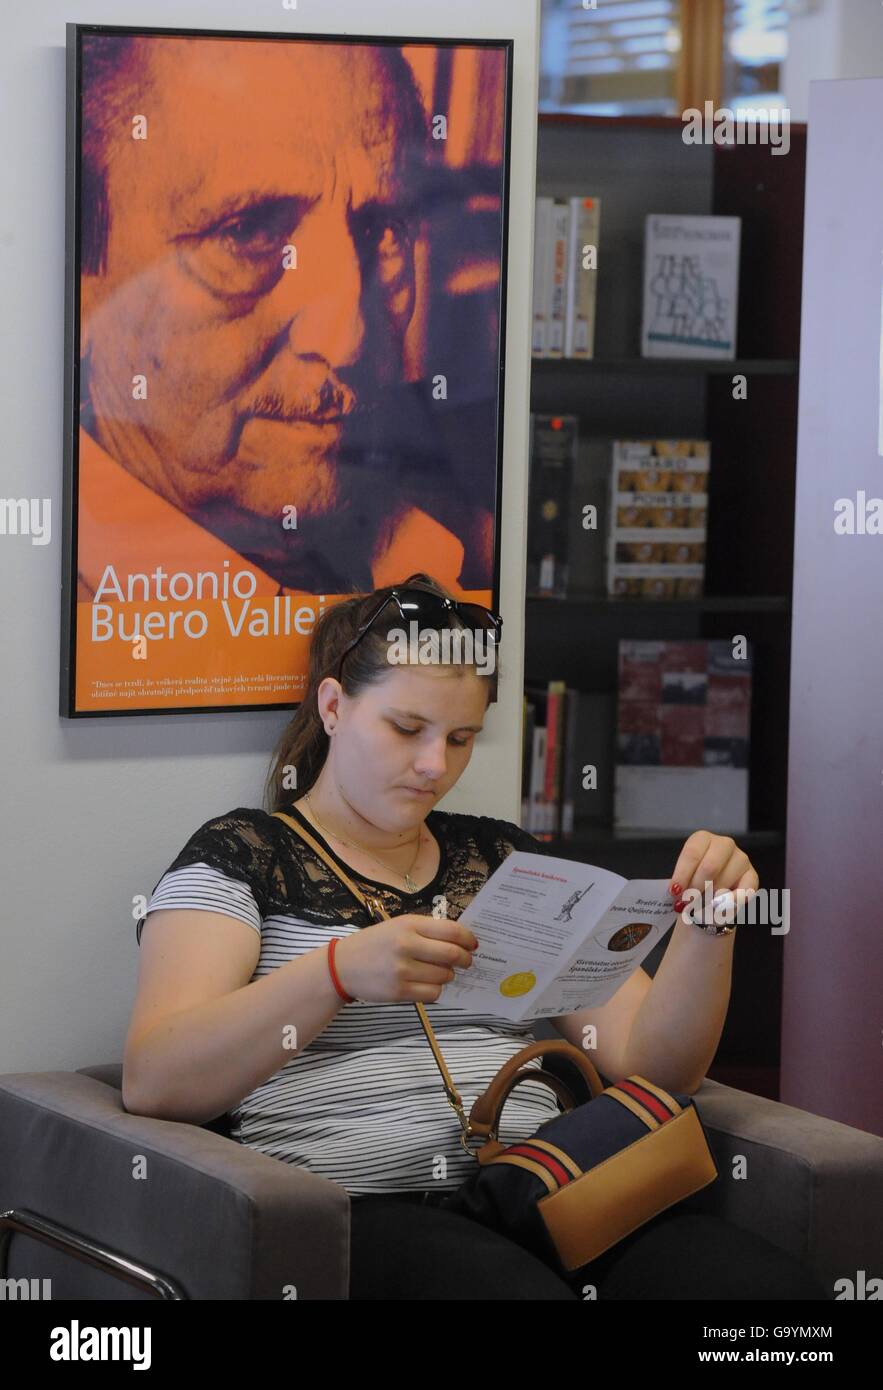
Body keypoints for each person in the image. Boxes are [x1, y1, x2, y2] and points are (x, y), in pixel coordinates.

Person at [122, 572, 827, 1300]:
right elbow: (155, 1079)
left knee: (775, 1310)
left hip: (552, 1185)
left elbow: (654, 1066)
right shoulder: (243, 853)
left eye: (461, 738)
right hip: (365, 1205)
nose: (436, 766)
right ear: (333, 706)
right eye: (406, 728)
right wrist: (333, 973)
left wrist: (708, 927)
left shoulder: (503, 860)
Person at [77, 33, 494, 601]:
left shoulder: (468, 550)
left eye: (378, 229)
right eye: (247, 231)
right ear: (83, 277)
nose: (348, 338)